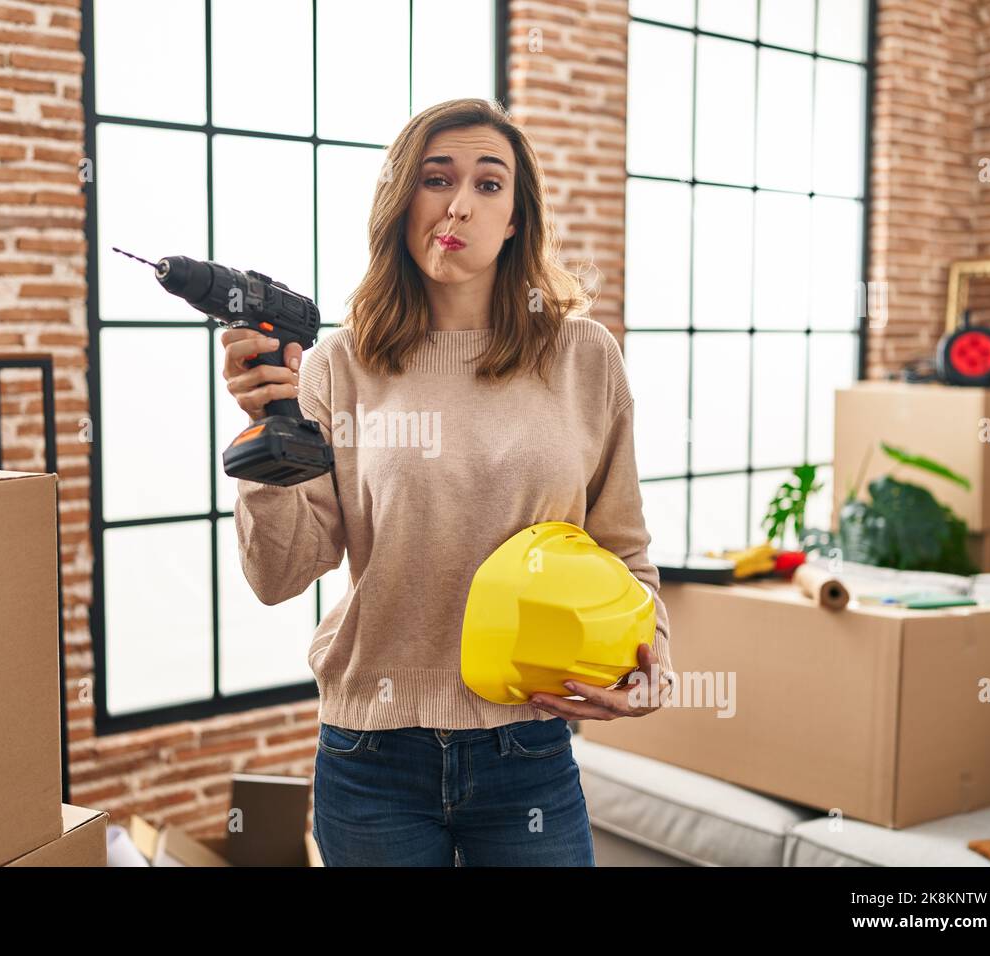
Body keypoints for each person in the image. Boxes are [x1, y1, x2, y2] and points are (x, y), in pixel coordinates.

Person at [221, 98, 674, 867]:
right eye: (437, 178)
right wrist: (265, 447)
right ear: (403, 202)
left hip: (528, 743)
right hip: (372, 753)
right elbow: (281, 574)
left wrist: (653, 652)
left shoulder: (585, 358)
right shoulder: (339, 364)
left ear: (516, 221)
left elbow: (621, 548)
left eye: (488, 184)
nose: (459, 203)